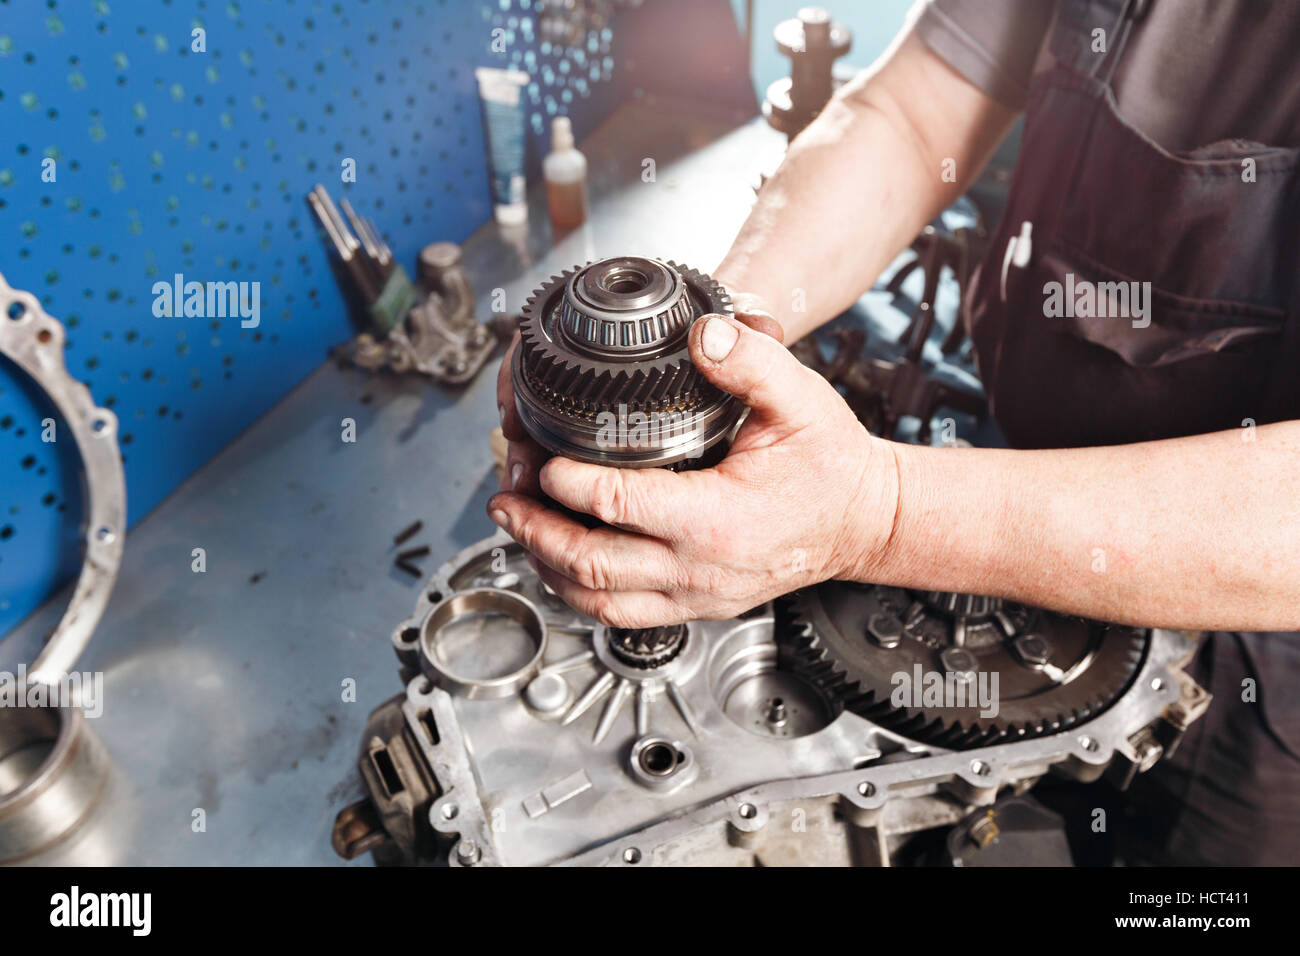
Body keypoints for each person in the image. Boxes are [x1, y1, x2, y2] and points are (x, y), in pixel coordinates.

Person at [491, 0, 1300, 864]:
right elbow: (912, 115)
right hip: (1013, 486)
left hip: (1262, 660)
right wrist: (707, 347)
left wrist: (882, 514)